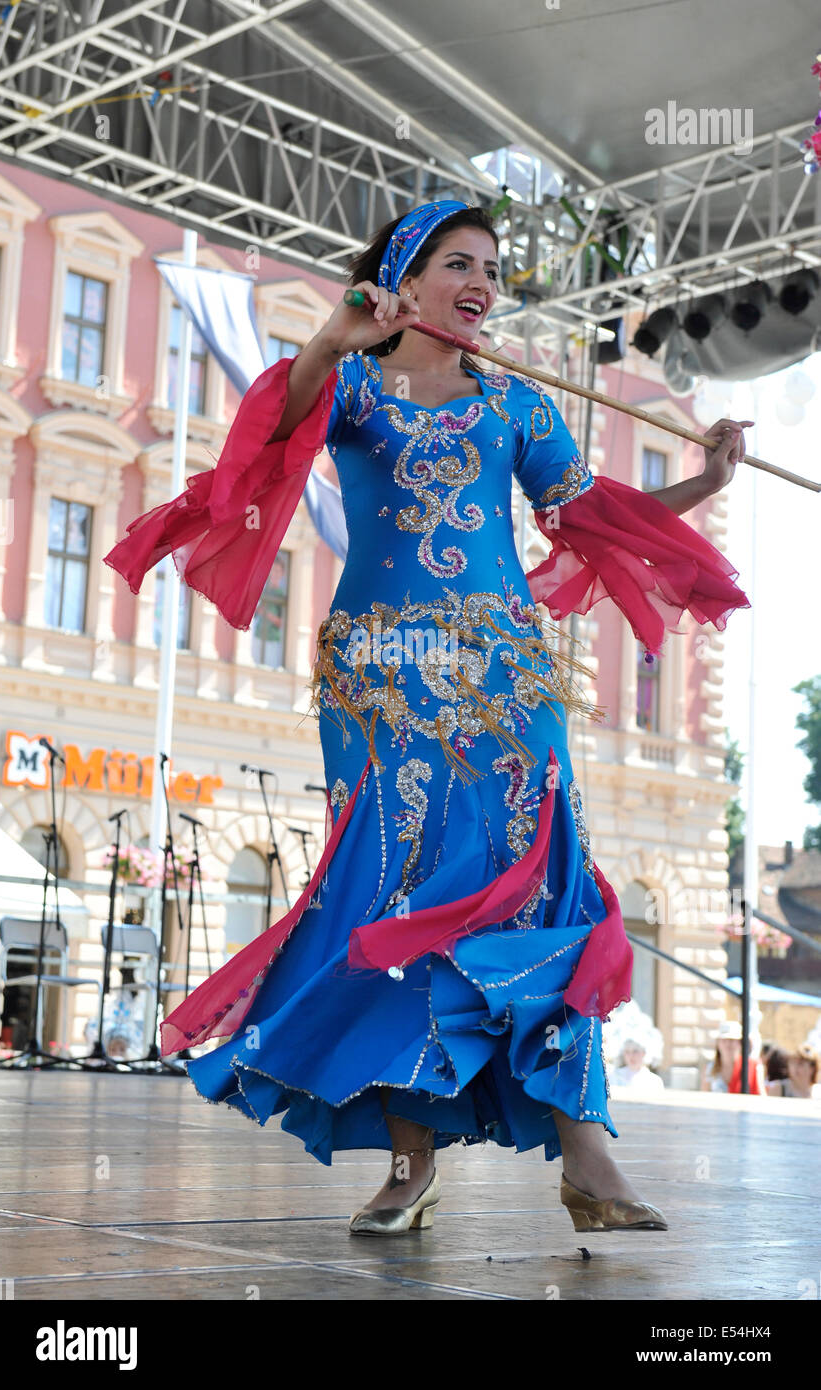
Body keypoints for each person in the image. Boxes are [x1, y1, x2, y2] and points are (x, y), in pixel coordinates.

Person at [106, 199, 751, 1237]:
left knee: (545, 880)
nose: (484, 286)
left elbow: (591, 517)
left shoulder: (516, 402)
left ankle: (586, 1152)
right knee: (397, 900)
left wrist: (706, 481)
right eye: (460, 264)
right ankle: (412, 1162)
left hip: (503, 675)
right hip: (381, 675)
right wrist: (329, 337)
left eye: (493, 271)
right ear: (401, 281)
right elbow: (262, 446)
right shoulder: (352, 385)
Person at [702, 1020, 765, 1094]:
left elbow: (761, 1095)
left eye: (732, 1040)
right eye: (724, 1040)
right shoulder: (710, 1068)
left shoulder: (753, 1066)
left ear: (740, 1043)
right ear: (718, 1043)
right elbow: (704, 1096)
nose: (728, 1044)